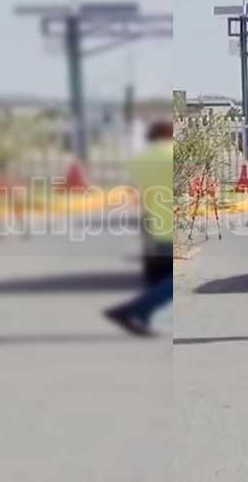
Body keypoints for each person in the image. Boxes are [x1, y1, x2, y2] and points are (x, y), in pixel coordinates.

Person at [104, 120, 174, 336]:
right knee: (169, 282)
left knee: (156, 275)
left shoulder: (139, 160)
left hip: (150, 219)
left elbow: (134, 190)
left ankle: (143, 317)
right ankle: (129, 310)